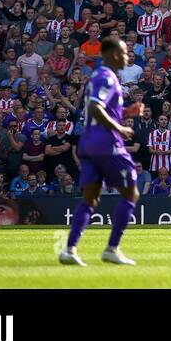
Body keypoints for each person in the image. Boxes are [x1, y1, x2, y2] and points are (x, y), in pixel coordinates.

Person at [59, 35, 141, 266]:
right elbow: (95, 107)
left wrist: (126, 113)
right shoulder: (106, 77)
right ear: (113, 54)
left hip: (89, 143)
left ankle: (70, 249)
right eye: (124, 52)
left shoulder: (97, 76)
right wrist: (119, 127)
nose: (127, 57)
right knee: (131, 193)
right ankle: (112, 248)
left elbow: (101, 108)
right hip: (107, 144)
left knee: (91, 198)